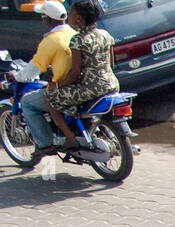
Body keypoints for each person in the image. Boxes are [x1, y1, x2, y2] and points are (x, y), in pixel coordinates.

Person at [38, 0, 117, 157]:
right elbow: (112, 63)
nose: (69, 16)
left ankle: (70, 138)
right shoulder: (105, 35)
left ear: (79, 19)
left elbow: (74, 73)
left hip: (90, 89)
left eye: (72, 13)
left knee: (48, 97)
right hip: (112, 84)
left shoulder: (78, 40)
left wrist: (57, 85)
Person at [18, 0, 75, 157]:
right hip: (82, 84)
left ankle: (45, 144)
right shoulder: (73, 33)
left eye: (42, 18)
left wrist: (16, 76)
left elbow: (32, 70)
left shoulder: (50, 41)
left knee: (27, 102)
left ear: (48, 20)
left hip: (65, 89)